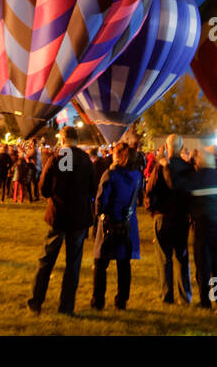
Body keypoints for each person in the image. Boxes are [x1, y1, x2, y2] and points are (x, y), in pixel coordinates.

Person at [27, 126, 96, 316]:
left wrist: (55, 198)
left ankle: (37, 301)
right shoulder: (85, 159)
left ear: (63, 139)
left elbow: (45, 187)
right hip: (79, 218)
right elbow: (93, 189)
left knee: (47, 260)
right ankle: (66, 306)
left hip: (60, 216)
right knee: (73, 264)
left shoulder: (63, 156)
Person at [166, 145, 217, 310]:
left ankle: (205, 302)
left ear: (198, 163)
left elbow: (176, 185)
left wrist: (167, 166)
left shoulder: (197, 178)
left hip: (206, 225)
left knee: (204, 264)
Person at [90, 141, 142, 310]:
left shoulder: (111, 174)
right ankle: (122, 300)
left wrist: (99, 215)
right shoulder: (136, 176)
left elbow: (101, 200)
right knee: (124, 263)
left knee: (100, 263)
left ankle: (98, 300)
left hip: (109, 222)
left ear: (119, 156)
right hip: (127, 223)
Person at [145, 134, 192, 304]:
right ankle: (185, 294)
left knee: (164, 257)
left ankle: (167, 295)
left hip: (163, 216)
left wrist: (153, 211)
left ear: (166, 146)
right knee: (182, 256)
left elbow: (150, 191)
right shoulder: (188, 169)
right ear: (182, 147)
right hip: (181, 217)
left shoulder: (160, 167)